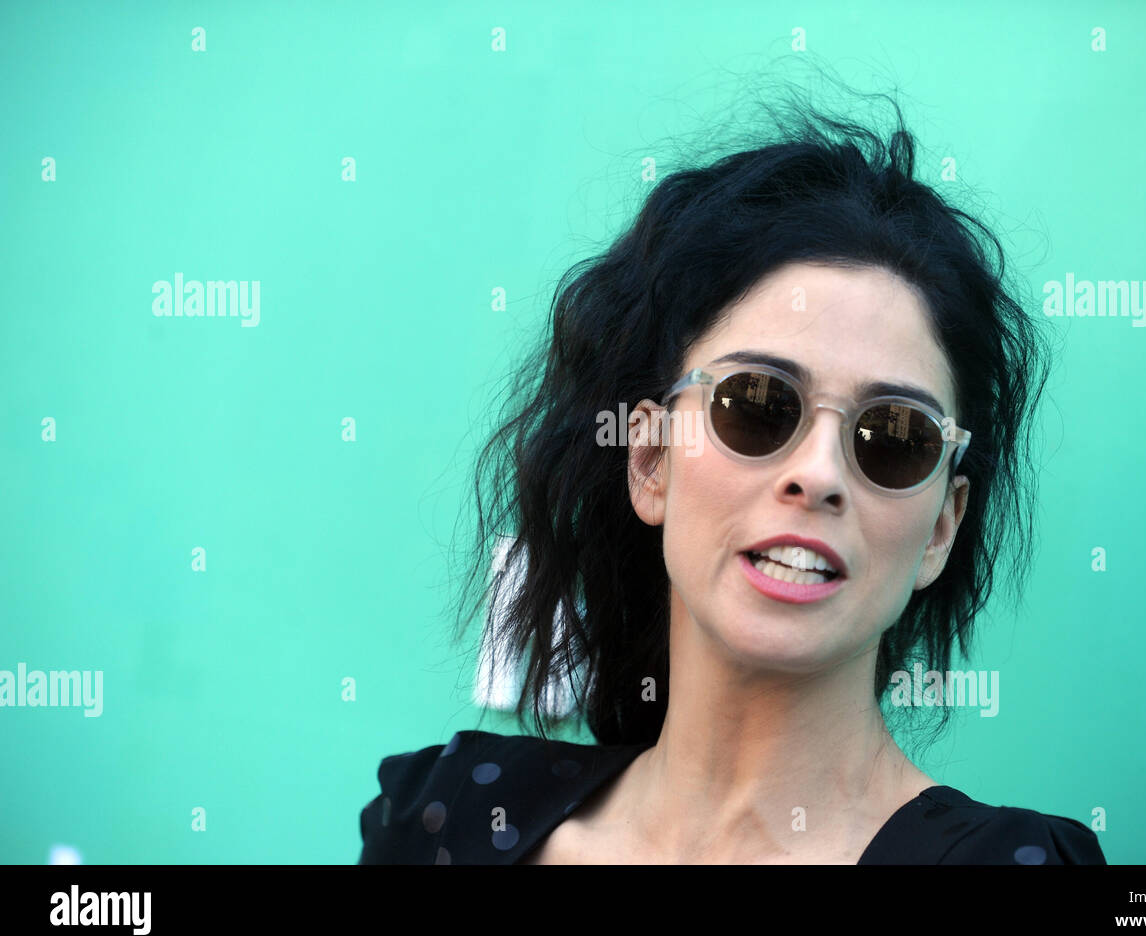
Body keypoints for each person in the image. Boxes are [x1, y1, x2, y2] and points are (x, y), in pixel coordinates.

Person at [358, 88, 1105, 865]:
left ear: (941, 528)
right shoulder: (449, 819)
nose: (818, 475)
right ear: (649, 460)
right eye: (757, 405)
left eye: (894, 437)